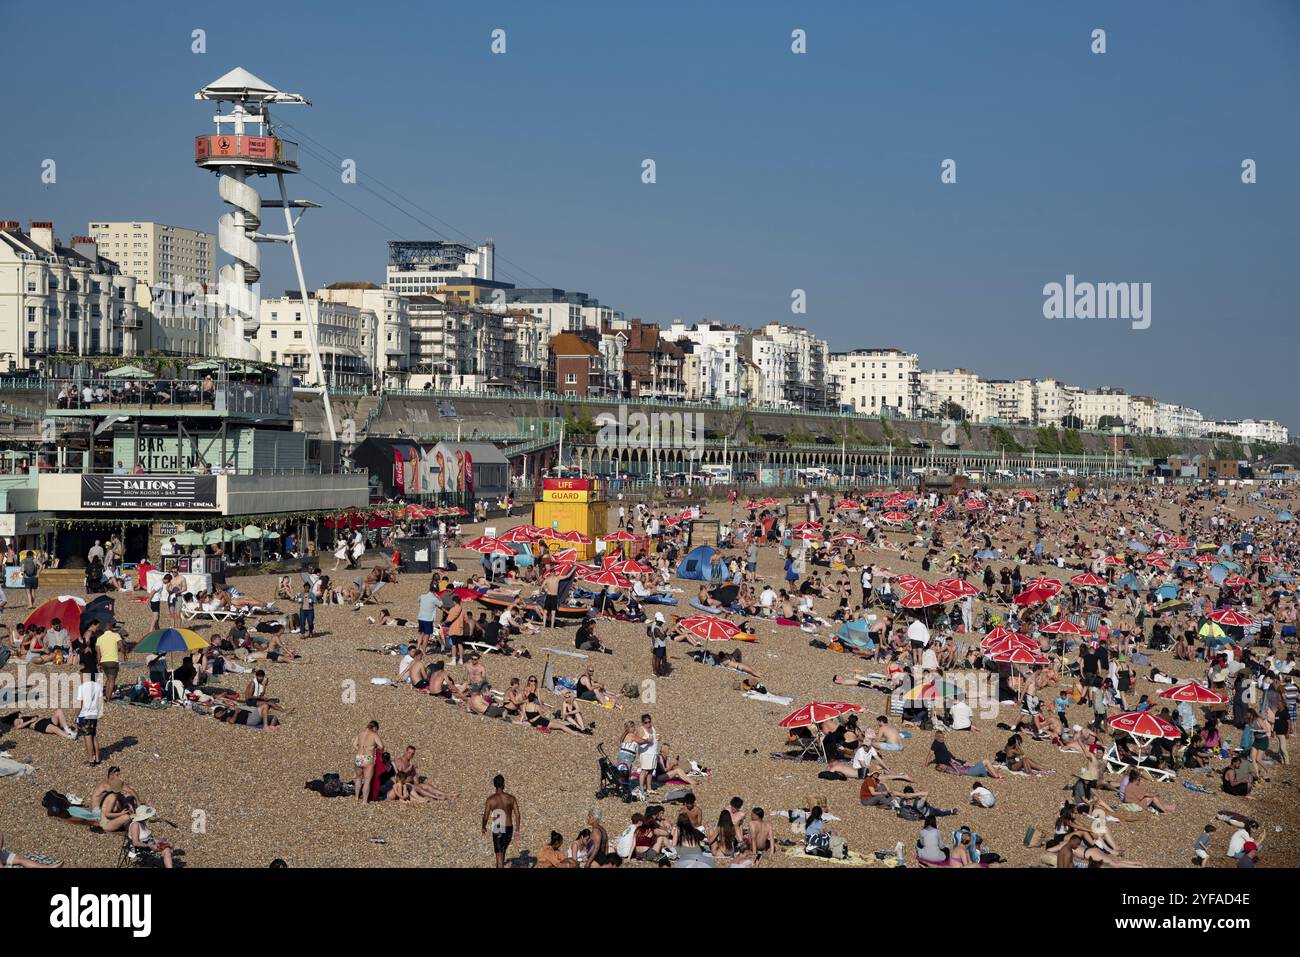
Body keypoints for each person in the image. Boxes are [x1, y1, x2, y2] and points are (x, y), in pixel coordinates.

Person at [483, 774, 521, 868]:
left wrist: (483, 827)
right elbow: (517, 814)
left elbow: (485, 816)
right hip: (509, 828)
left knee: (499, 856)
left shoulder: (491, 800)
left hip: (499, 827)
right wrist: (517, 830)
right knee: (502, 853)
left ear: (494, 785)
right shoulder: (511, 798)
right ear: (503, 784)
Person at [75, 668, 103, 765]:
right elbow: (100, 702)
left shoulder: (82, 687)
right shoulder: (98, 686)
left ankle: (91, 760)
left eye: (81, 675)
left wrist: (75, 715)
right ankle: (98, 758)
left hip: (85, 715)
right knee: (93, 735)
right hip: (94, 715)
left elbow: (80, 703)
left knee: (87, 737)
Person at [353, 720, 383, 803]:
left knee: (358, 778)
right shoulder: (374, 735)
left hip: (359, 757)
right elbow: (381, 746)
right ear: (374, 728)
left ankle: (356, 798)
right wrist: (373, 747)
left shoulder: (360, 734)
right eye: (376, 729)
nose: (376, 731)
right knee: (367, 781)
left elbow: (354, 745)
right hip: (368, 757)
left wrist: (360, 749)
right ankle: (364, 801)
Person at [96, 625, 124, 700]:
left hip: (103, 662)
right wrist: (124, 654)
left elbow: (98, 654)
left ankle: (106, 695)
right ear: (111, 629)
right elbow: (121, 645)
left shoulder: (99, 638)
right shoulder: (116, 635)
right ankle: (108, 698)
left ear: (104, 629)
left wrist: (99, 664)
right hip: (112, 661)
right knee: (112, 679)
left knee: (108, 678)